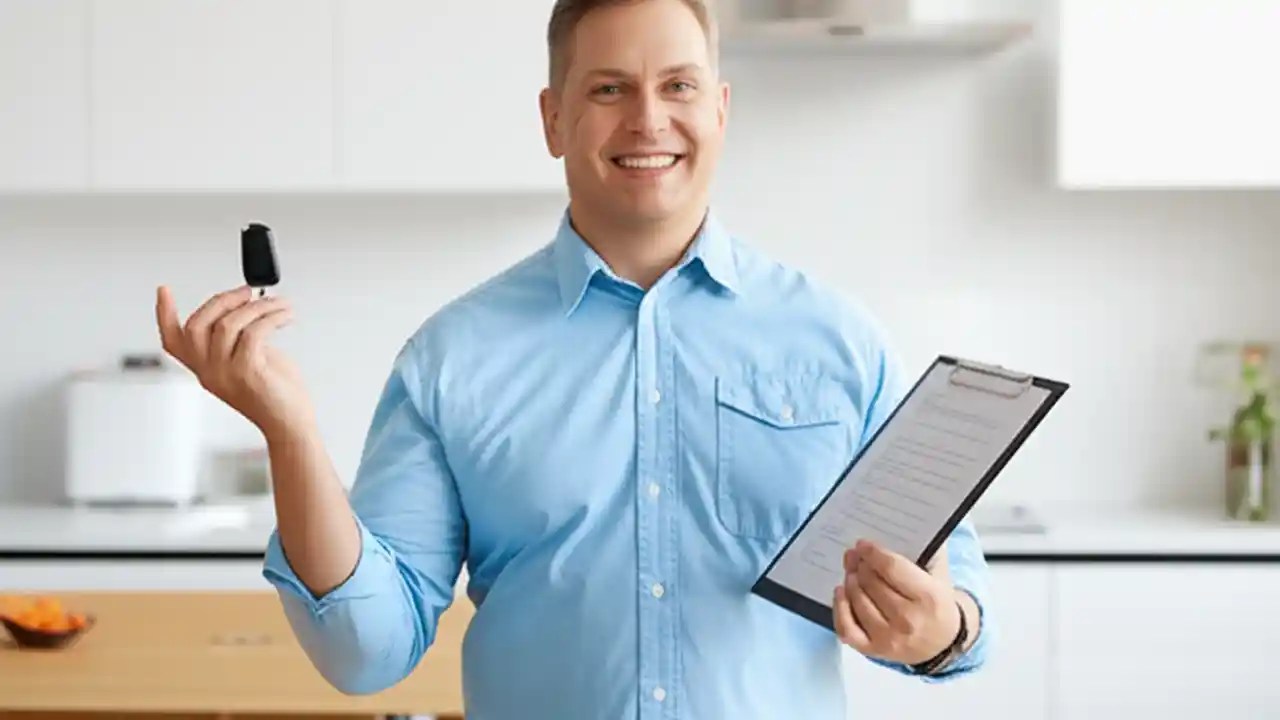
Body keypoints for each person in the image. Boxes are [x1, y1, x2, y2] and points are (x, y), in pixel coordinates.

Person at [153, 0, 994, 717]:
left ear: (721, 110)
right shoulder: (453, 357)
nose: (648, 120)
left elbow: (955, 597)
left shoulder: (841, 342)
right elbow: (365, 653)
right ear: (554, 118)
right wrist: (289, 431)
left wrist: (940, 630)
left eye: (679, 86)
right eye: (609, 89)